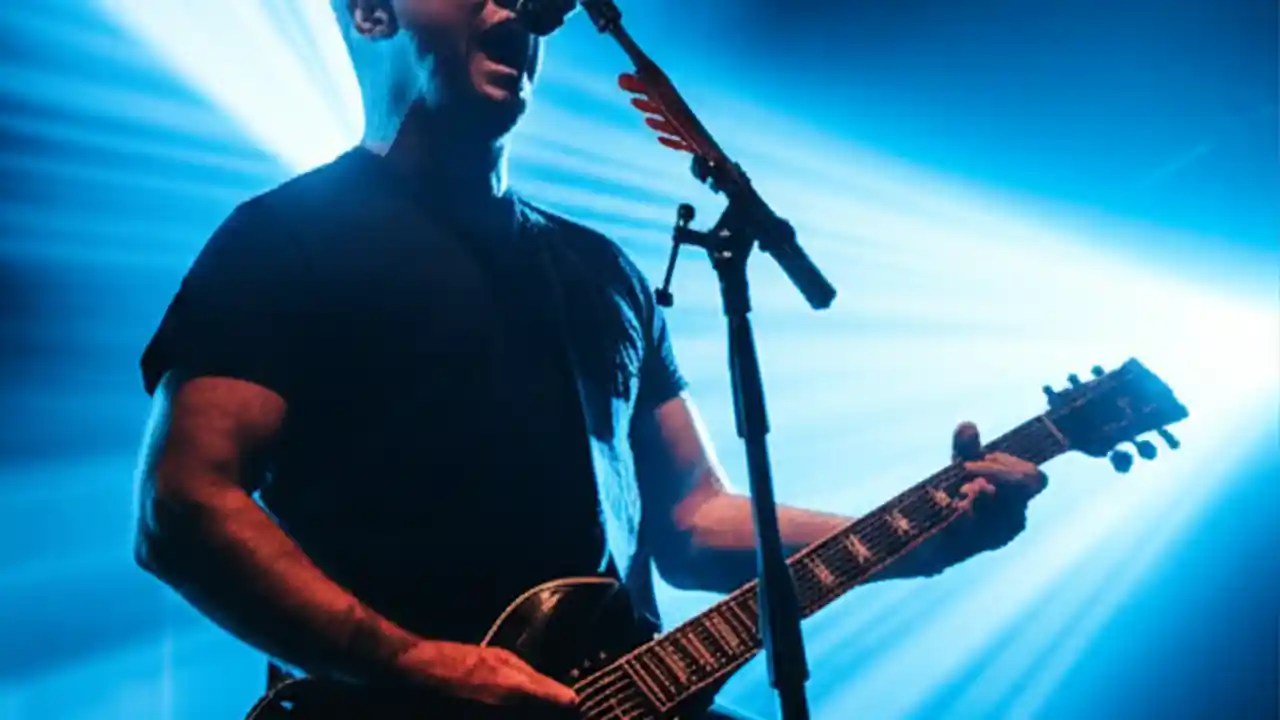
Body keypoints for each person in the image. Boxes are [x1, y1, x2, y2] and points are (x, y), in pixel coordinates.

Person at [132, 1, 1047, 718]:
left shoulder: (600, 270)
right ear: (372, 13)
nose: (517, 13)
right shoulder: (283, 241)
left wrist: (929, 535)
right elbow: (183, 505)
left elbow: (692, 522)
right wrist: (418, 665)